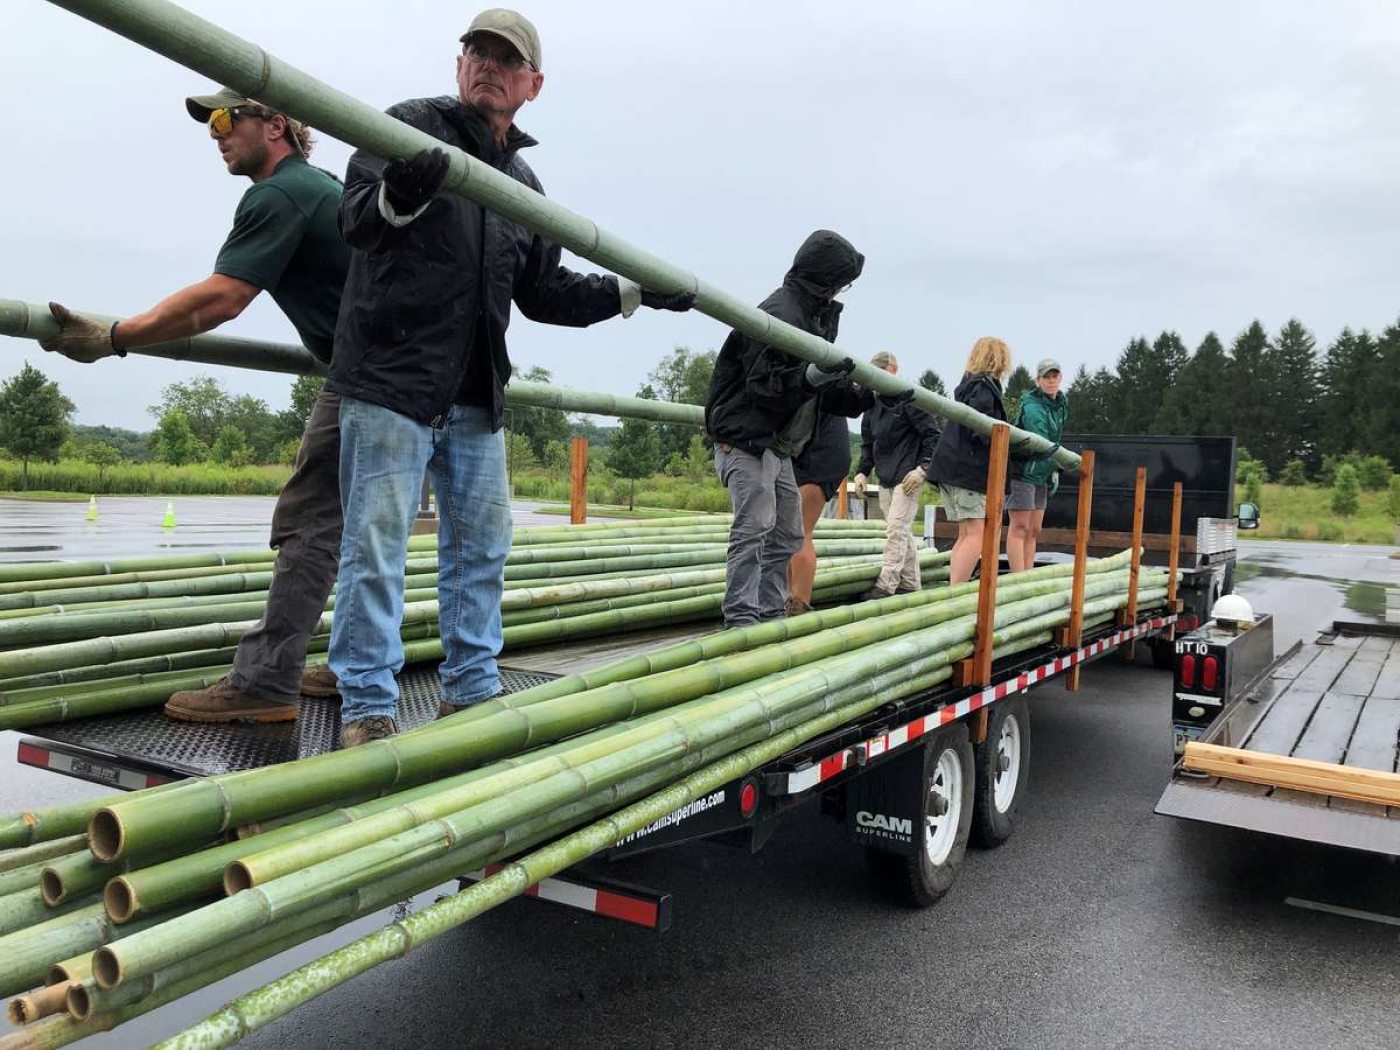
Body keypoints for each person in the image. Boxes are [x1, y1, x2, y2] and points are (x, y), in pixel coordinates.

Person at [328, 10, 694, 748]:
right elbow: (359, 222)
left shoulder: (522, 182)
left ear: (534, 84)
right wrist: (404, 193)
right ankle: (367, 708)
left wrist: (632, 293)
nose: (489, 67)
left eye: (506, 59)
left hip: (474, 396)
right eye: (478, 53)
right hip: (391, 383)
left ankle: (471, 694)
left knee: (482, 549)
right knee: (375, 545)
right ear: (459, 64)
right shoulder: (404, 131)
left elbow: (543, 291)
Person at [40, 87, 351, 724]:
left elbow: (220, 300)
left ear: (275, 124)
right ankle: (356, 664)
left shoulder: (281, 192)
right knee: (365, 527)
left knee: (310, 524)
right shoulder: (322, 186)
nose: (215, 132)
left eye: (224, 117)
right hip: (410, 375)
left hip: (367, 377)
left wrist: (114, 337)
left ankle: (266, 682)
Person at [705, 230, 864, 628]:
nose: (842, 289)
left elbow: (818, 395)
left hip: (777, 445)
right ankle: (741, 619)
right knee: (754, 528)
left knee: (789, 533)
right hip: (745, 440)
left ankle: (768, 610)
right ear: (825, 281)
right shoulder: (780, 315)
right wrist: (811, 377)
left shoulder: (812, 317)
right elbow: (766, 388)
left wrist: (870, 397)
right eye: (841, 282)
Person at [854, 351, 941, 599]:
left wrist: (923, 469)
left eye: (883, 370)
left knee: (895, 529)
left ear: (893, 370)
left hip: (908, 479)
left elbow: (933, 436)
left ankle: (886, 584)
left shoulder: (911, 400)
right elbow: (868, 442)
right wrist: (861, 471)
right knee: (902, 532)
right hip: (885, 478)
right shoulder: (872, 407)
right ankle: (911, 583)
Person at [786, 374, 873, 617]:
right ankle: (789, 597)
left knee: (799, 531)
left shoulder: (814, 374)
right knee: (788, 533)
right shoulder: (817, 373)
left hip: (818, 458)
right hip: (812, 455)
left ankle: (799, 603)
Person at [927, 337, 1012, 585]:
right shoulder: (985, 389)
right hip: (967, 471)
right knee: (976, 534)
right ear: (1000, 360)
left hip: (949, 469)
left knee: (966, 533)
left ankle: (954, 587)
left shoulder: (968, 386)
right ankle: (956, 592)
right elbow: (980, 430)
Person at [1006, 358, 1070, 571]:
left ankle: (1028, 574)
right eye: (1046, 377)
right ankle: (1018, 579)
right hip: (1024, 471)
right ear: (1038, 380)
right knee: (1020, 527)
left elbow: (1056, 437)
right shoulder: (1032, 406)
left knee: (1034, 529)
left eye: (1055, 376)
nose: (1051, 381)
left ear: (1060, 378)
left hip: (1043, 471)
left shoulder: (1061, 404)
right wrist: (1063, 461)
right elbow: (1041, 440)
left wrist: (1053, 470)